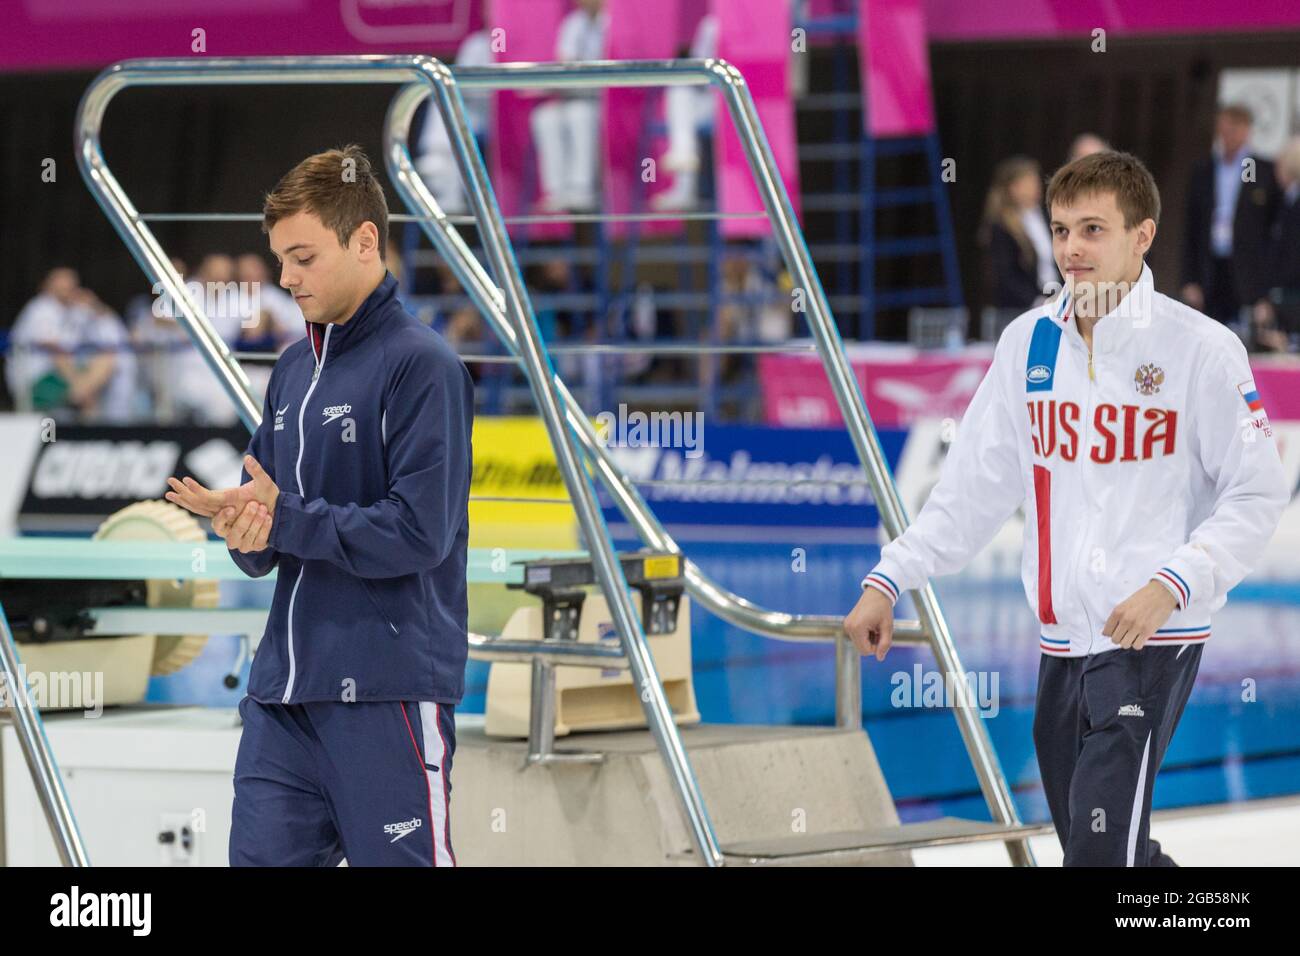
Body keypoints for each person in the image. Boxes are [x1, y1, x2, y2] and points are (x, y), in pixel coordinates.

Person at [844, 151, 1289, 866]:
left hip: (1150, 640)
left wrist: (1171, 584)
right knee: (1113, 848)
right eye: (1060, 230)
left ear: (1141, 236)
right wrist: (889, 578)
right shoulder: (1028, 344)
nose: (1072, 249)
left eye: (1093, 229)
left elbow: (1259, 488)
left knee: (1097, 856)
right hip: (1060, 644)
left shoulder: (1200, 349)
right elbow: (972, 490)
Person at [164, 145, 475, 867]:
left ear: (364, 241)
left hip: (387, 692)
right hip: (284, 701)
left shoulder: (423, 366)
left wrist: (288, 519)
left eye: (303, 257)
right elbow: (270, 521)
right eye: (279, 259)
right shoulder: (295, 368)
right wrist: (244, 527)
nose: (285, 278)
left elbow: (420, 532)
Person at [1181, 103, 1281, 326]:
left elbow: (1260, 218)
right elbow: (1192, 228)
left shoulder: (1252, 167)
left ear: (1246, 131)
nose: (1226, 136)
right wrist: (1189, 278)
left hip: (1246, 269)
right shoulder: (1205, 169)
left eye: (1233, 130)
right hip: (1211, 263)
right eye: (1223, 130)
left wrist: (1265, 290)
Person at [529, 0, 608, 212]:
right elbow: (565, 64)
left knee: (580, 115)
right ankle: (557, 190)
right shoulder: (573, 23)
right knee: (544, 117)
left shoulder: (614, 23)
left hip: (606, 102)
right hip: (572, 95)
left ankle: (581, 188)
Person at [979, 156, 1057, 310]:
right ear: (1013, 188)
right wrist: (1035, 301)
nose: (1036, 187)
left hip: (1054, 296)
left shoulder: (1047, 215)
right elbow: (1005, 275)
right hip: (1022, 306)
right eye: (1028, 182)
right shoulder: (1001, 227)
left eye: (1035, 181)